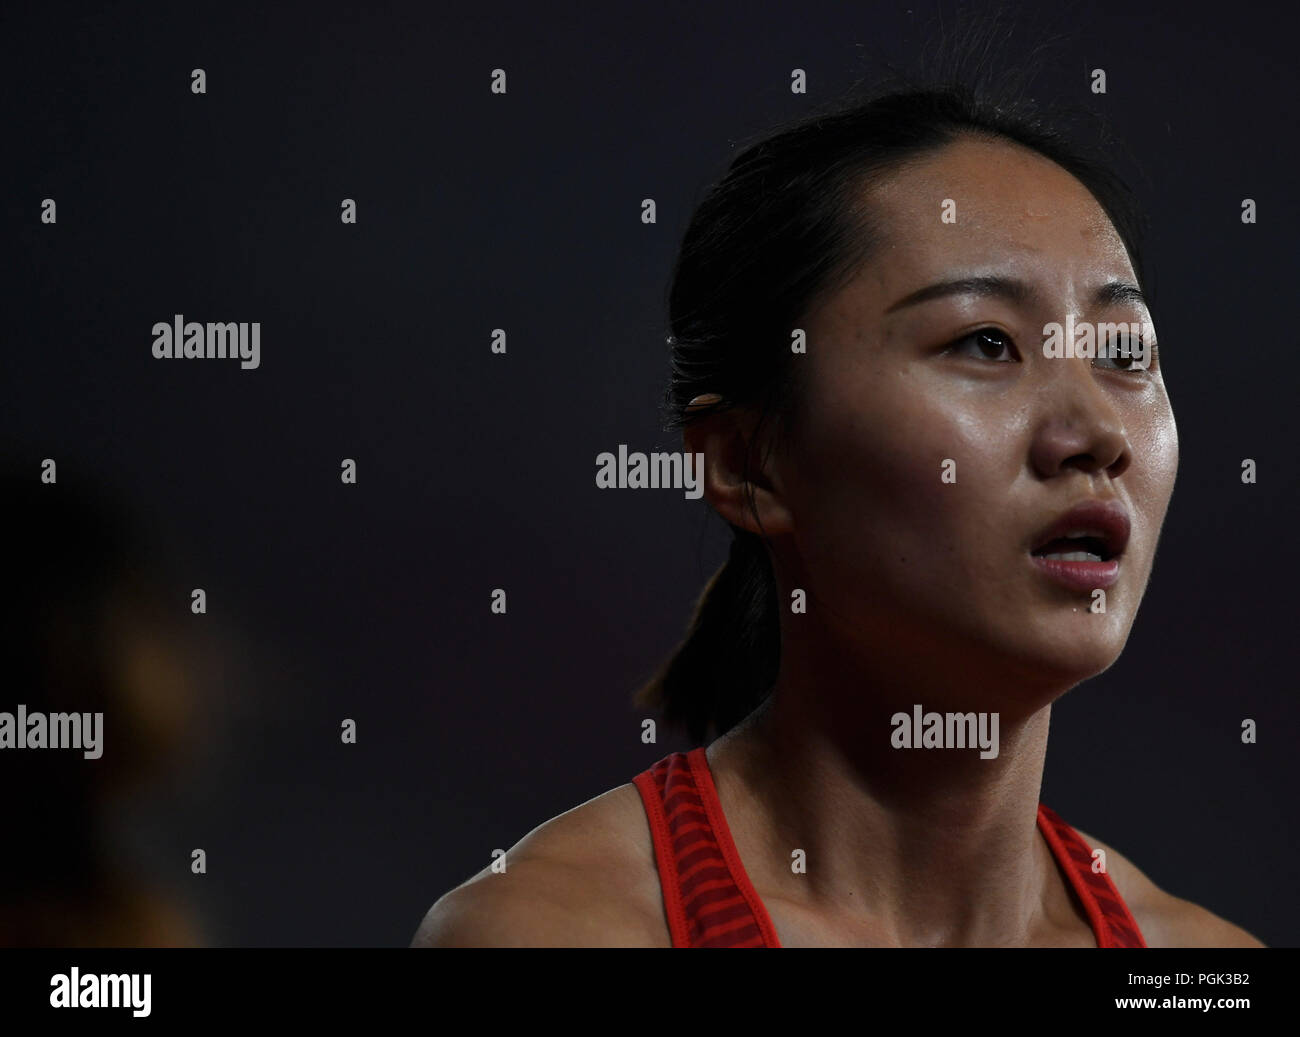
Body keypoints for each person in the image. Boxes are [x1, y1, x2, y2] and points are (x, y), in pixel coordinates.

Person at [412, 82, 1264, 948]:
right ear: (749, 462)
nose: (1097, 435)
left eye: (1125, 353)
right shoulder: (557, 931)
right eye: (984, 341)